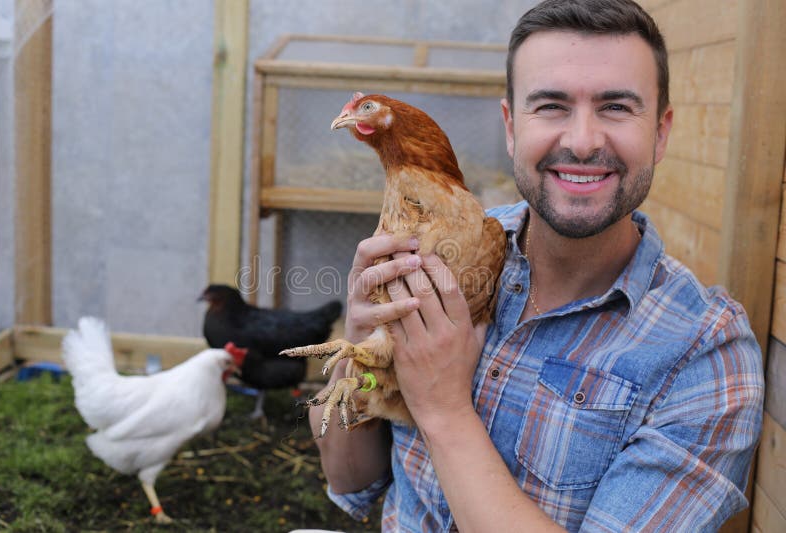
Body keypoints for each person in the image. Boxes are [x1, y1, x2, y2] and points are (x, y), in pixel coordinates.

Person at [309, 0, 765, 531]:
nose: (582, 141)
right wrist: (359, 349)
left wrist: (443, 410)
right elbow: (348, 479)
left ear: (660, 133)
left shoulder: (706, 359)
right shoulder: (442, 244)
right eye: (551, 106)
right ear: (510, 127)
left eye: (616, 107)